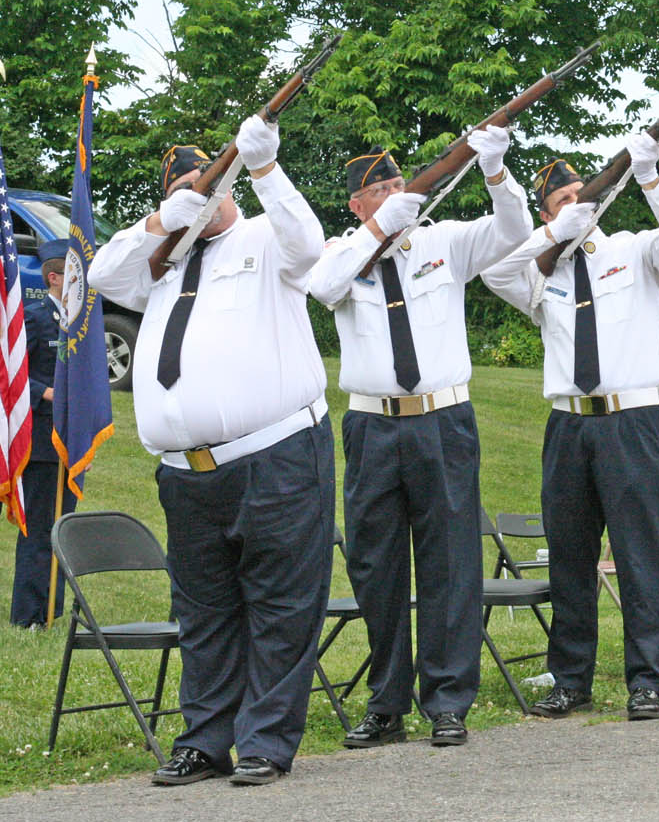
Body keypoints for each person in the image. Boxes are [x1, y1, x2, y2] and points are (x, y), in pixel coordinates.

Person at [88, 119, 333, 786]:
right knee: (204, 611)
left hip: (275, 454)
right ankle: (205, 737)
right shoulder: (158, 265)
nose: (199, 201)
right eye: (184, 192)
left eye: (206, 186)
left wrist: (264, 169)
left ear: (228, 187)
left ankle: (264, 740)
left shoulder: (262, 237)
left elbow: (309, 243)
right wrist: (161, 221)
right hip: (187, 472)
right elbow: (100, 274)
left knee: (282, 603)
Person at [307, 127, 529, 748]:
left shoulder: (444, 242)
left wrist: (494, 171)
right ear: (357, 205)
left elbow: (512, 233)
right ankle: (386, 703)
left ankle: (448, 700)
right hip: (373, 422)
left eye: (399, 184)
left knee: (450, 561)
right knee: (377, 566)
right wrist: (377, 234)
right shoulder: (343, 251)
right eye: (379, 191)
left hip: (443, 420)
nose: (395, 195)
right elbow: (322, 289)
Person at [481, 134, 659, 720]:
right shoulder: (539, 271)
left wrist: (649, 178)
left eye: (583, 195)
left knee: (640, 553)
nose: (577, 204)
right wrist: (552, 234)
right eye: (562, 201)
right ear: (548, 212)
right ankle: (570, 679)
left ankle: (647, 679)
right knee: (570, 556)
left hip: (632, 419)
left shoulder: (632, 249)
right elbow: (494, 271)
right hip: (569, 426)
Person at [9, 240, 78, 629]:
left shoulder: (80, 327)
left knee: (63, 527)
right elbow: (12, 372)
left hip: (71, 439)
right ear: (54, 278)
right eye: (72, 277)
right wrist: (44, 391)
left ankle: (52, 609)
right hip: (41, 439)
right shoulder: (34, 318)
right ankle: (27, 614)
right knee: (38, 528)